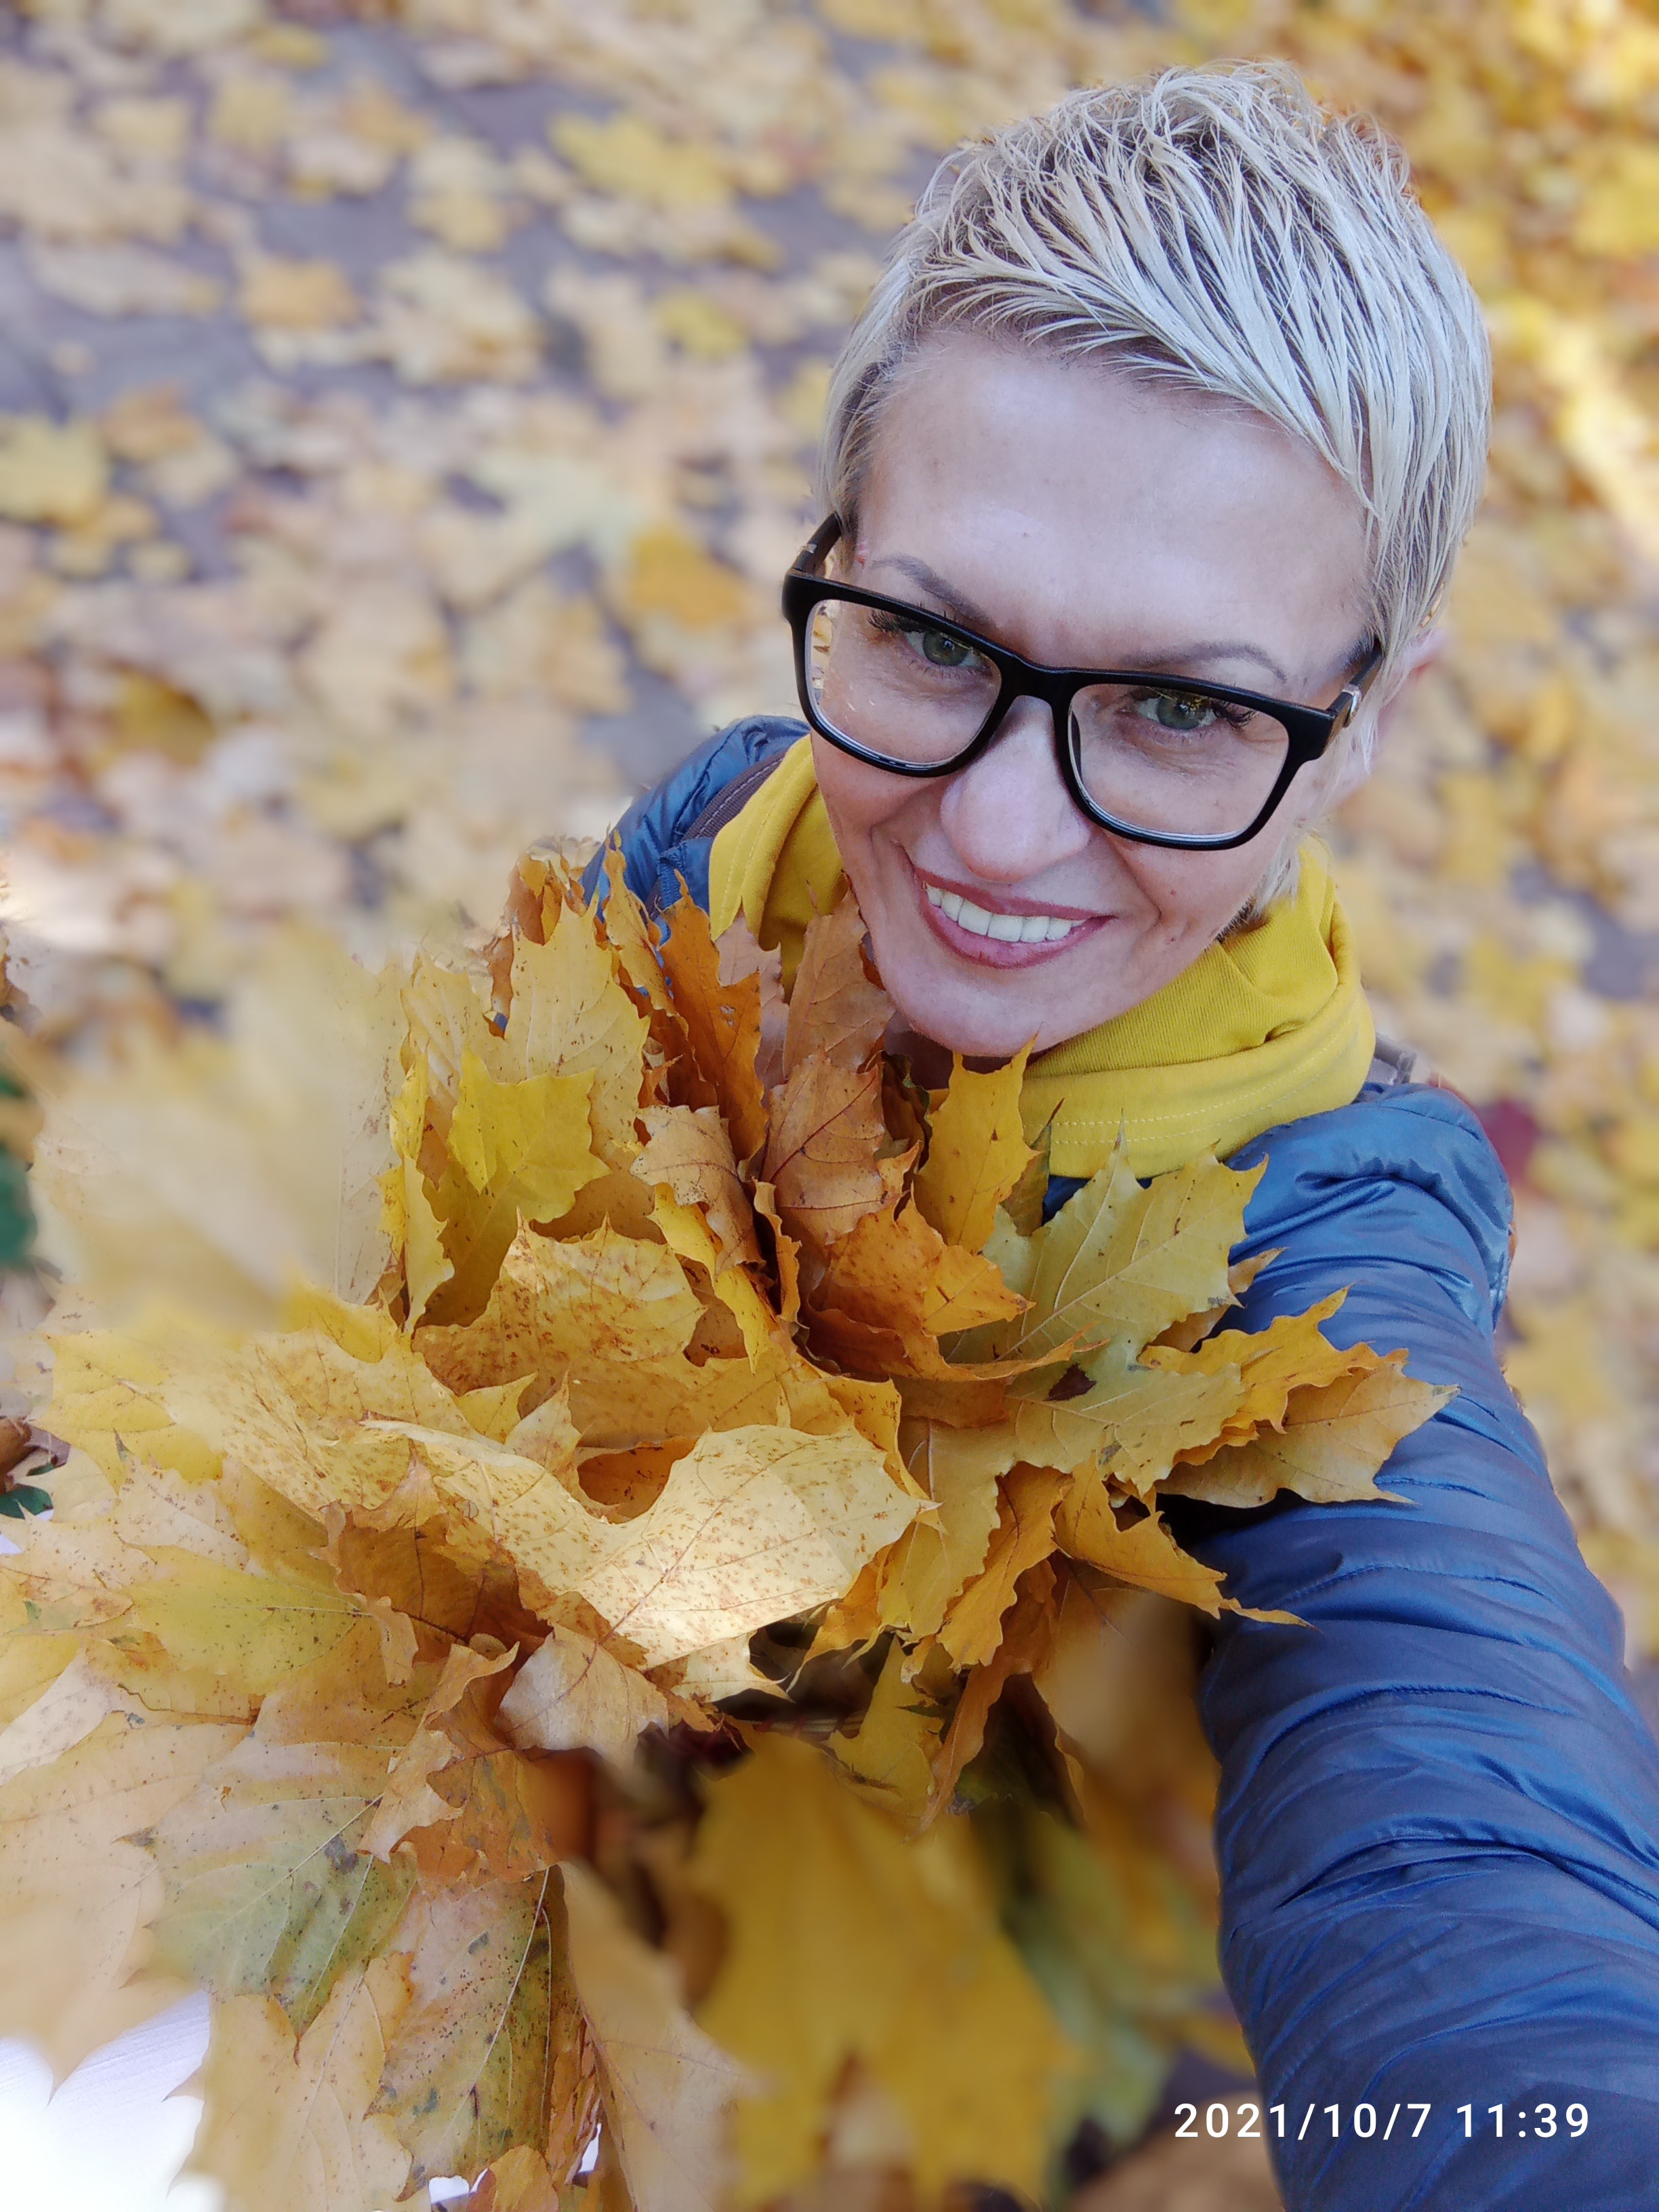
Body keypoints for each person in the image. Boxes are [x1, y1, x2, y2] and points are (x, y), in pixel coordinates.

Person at [590, 62, 1659, 2209]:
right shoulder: (726, 826)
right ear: (835, 557)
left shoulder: (1328, 1257)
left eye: (1181, 708)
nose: (992, 832)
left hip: (965, 2063)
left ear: (1369, 717)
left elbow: (1452, 1788)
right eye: (927, 636)